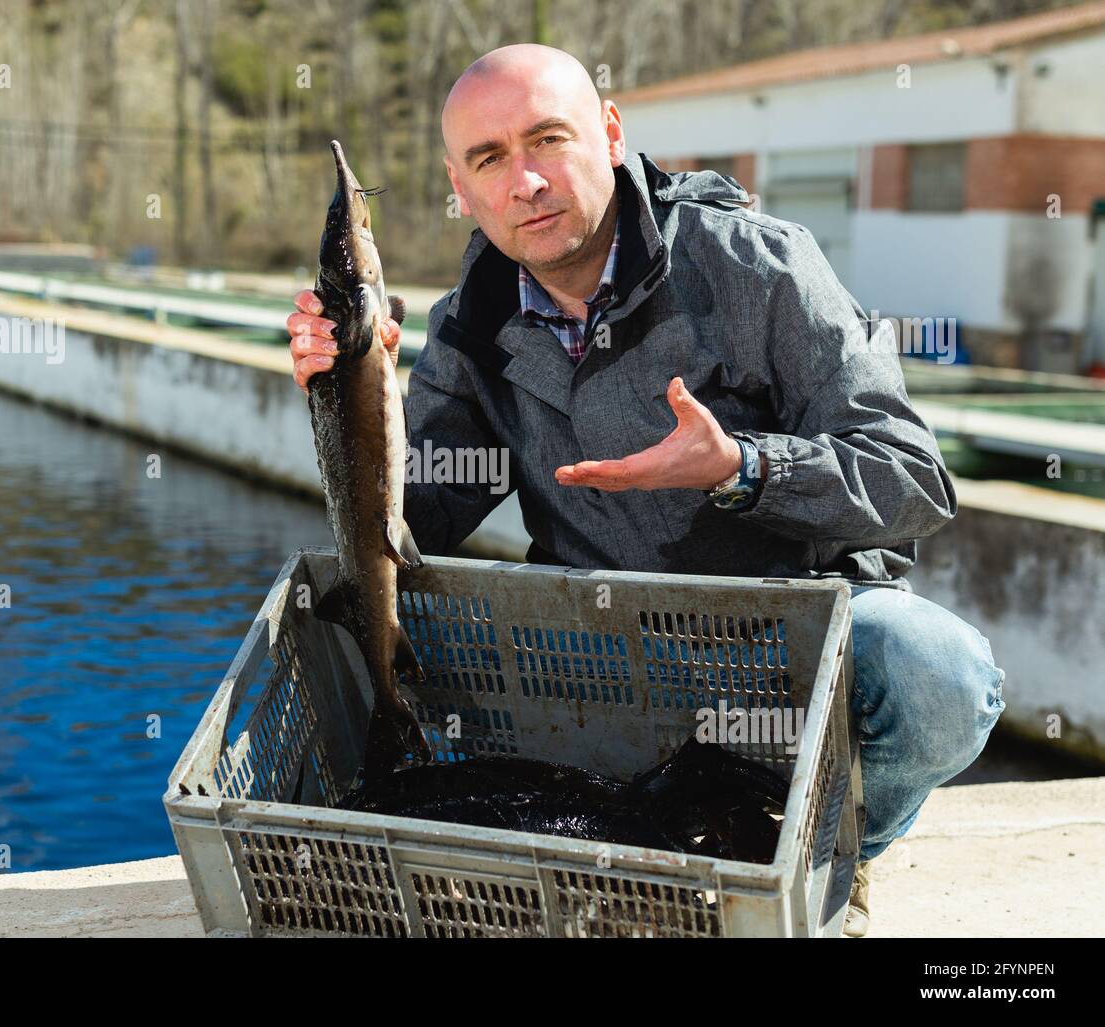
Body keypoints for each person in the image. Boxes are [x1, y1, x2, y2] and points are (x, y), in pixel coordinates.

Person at [286, 43, 1005, 937]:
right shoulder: (472, 320)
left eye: (549, 139)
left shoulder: (759, 265)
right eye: (490, 158)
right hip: (599, 659)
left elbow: (912, 475)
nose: (527, 181)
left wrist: (744, 468)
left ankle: (825, 864)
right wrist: (351, 396)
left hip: (783, 652)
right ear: (459, 186)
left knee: (939, 672)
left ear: (611, 133)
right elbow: (413, 524)